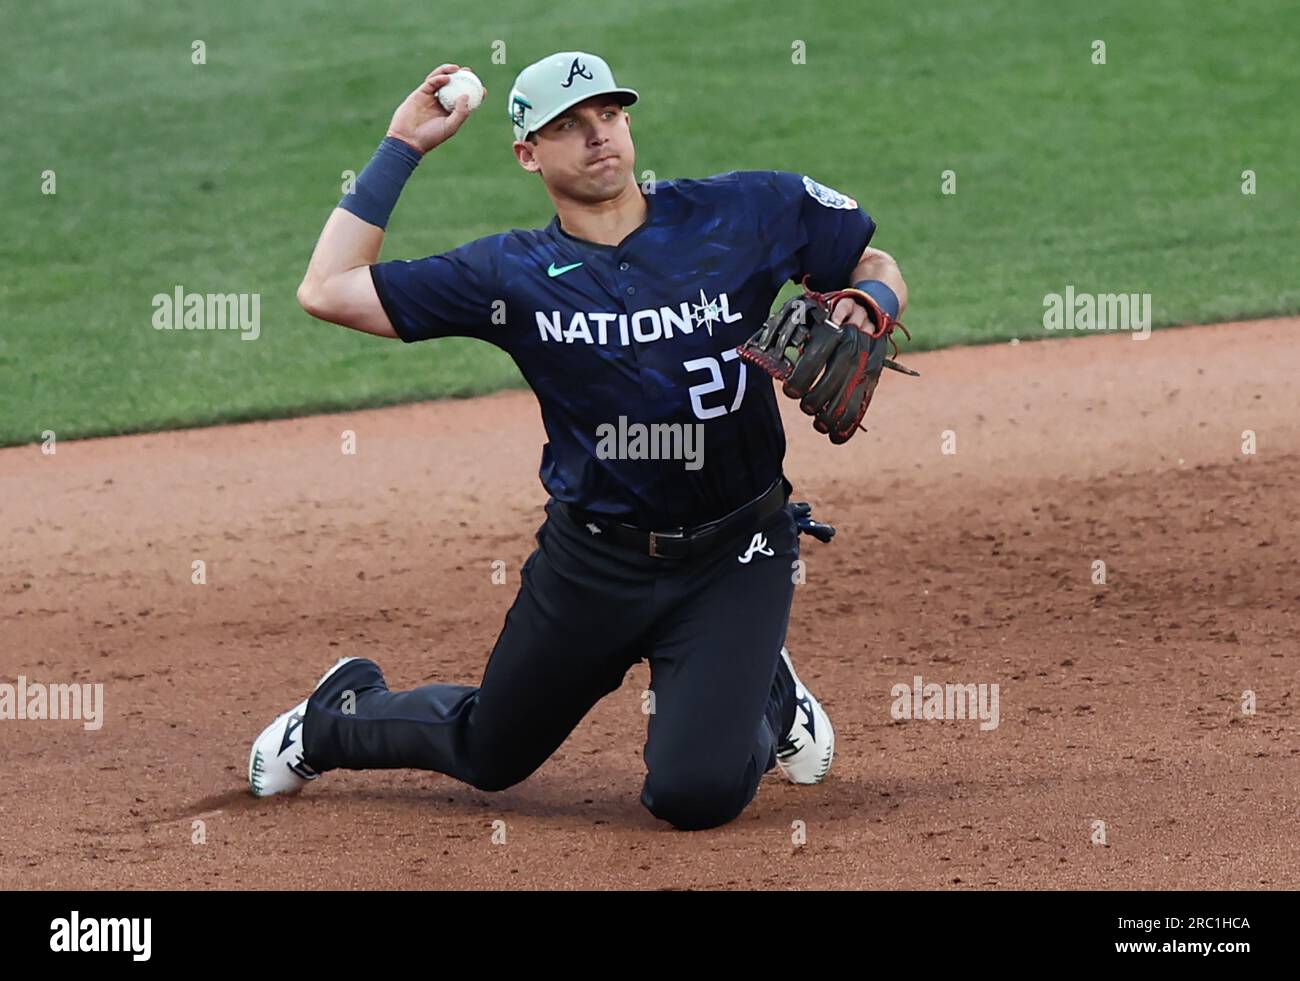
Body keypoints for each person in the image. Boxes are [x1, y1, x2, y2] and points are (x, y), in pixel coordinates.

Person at [247, 51, 909, 831]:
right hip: (595, 563)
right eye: (567, 126)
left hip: (739, 550)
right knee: (490, 753)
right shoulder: (509, 274)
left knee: (695, 794)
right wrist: (402, 146)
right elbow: (326, 289)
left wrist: (871, 301)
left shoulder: (744, 212)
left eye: (608, 114)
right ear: (528, 154)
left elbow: (872, 259)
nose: (598, 135)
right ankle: (336, 714)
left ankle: (769, 695)